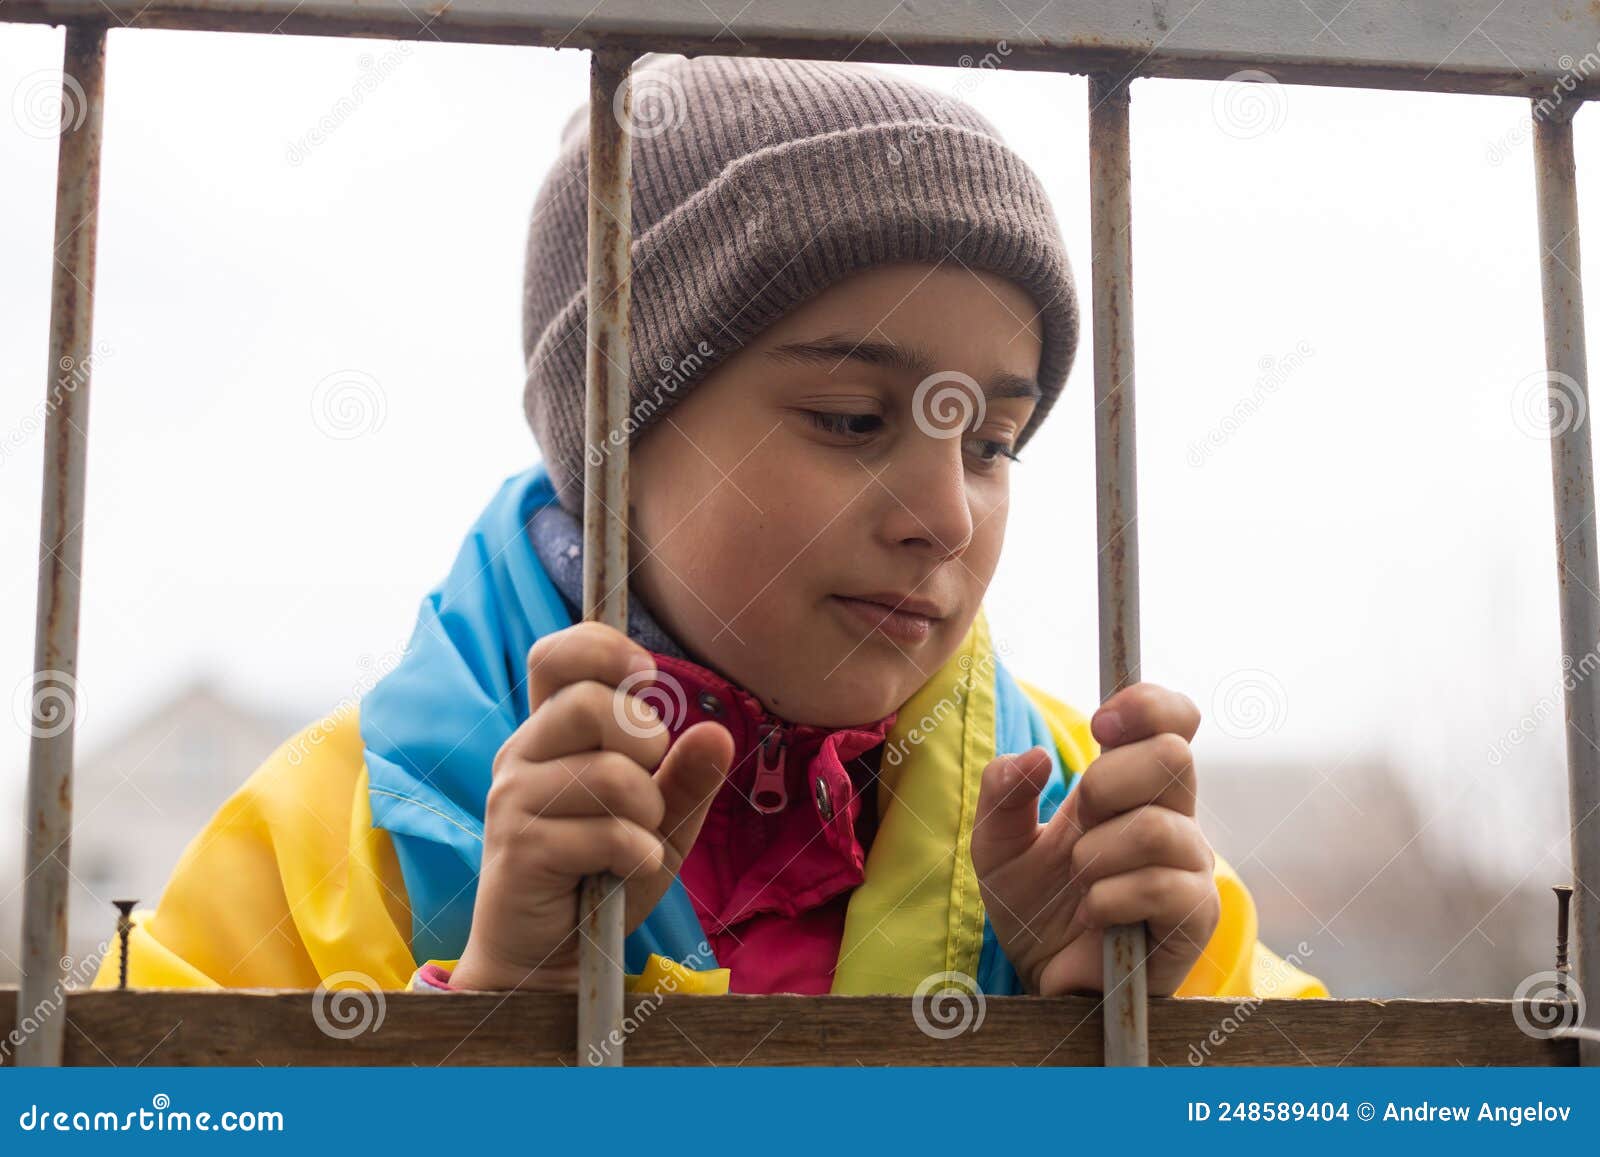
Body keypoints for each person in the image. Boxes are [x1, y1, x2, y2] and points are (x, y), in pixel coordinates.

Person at [93, 54, 1326, 1004]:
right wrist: (492, 1024)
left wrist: (1125, 1041)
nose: (947, 516)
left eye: (993, 443)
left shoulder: (1102, 835)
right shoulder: (336, 829)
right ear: (616, 439)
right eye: (851, 417)